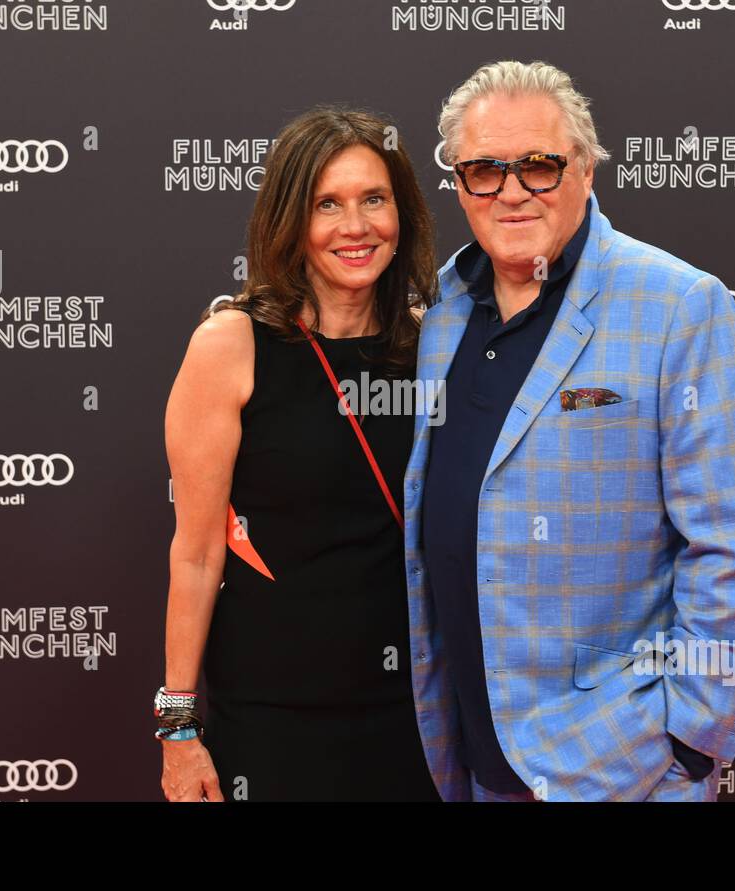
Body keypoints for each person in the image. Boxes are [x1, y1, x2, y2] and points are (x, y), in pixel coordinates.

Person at [404, 60, 735, 802]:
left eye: (539, 165)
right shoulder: (444, 309)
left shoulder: (679, 305)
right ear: (459, 184)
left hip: (621, 768)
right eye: (485, 169)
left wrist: (688, 738)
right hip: (472, 766)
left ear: (584, 167)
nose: (512, 190)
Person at [159, 106, 440, 801]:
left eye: (374, 199)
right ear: (292, 219)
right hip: (272, 723)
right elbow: (196, 554)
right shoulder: (231, 346)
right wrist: (177, 727)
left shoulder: (431, 345)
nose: (356, 226)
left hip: (415, 717)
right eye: (328, 204)